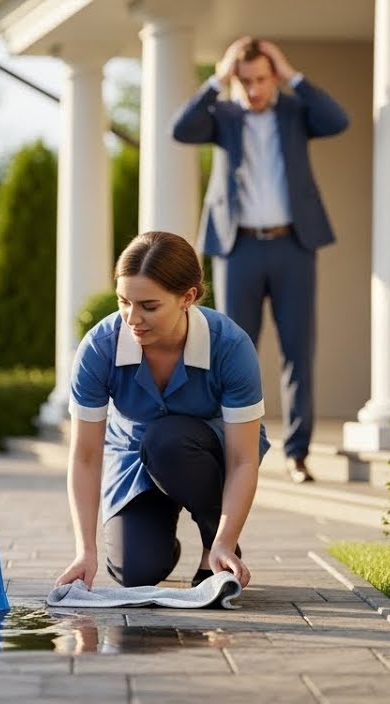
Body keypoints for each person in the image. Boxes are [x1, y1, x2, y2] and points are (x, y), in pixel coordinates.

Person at [171, 37, 349, 484]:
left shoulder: (293, 111)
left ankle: (298, 454)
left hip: (294, 245)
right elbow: (180, 129)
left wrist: (293, 76)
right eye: (245, 81)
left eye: (262, 80)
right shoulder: (223, 116)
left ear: (274, 77)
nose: (253, 90)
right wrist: (217, 79)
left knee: (298, 350)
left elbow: (338, 120)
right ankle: (233, 448)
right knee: (233, 350)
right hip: (239, 247)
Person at [55, 231, 270, 591]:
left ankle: (213, 547)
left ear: (187, 297)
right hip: (134, 458)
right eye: (124, 301)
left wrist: (225, 539)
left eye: (148, 306)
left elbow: (243, 459)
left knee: (167, 441)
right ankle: (159, 542)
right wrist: (84, 551)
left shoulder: (231, 347)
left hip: (208, 454)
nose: (131, 318)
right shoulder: (99, 348)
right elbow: (86, 457)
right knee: (134, 572)